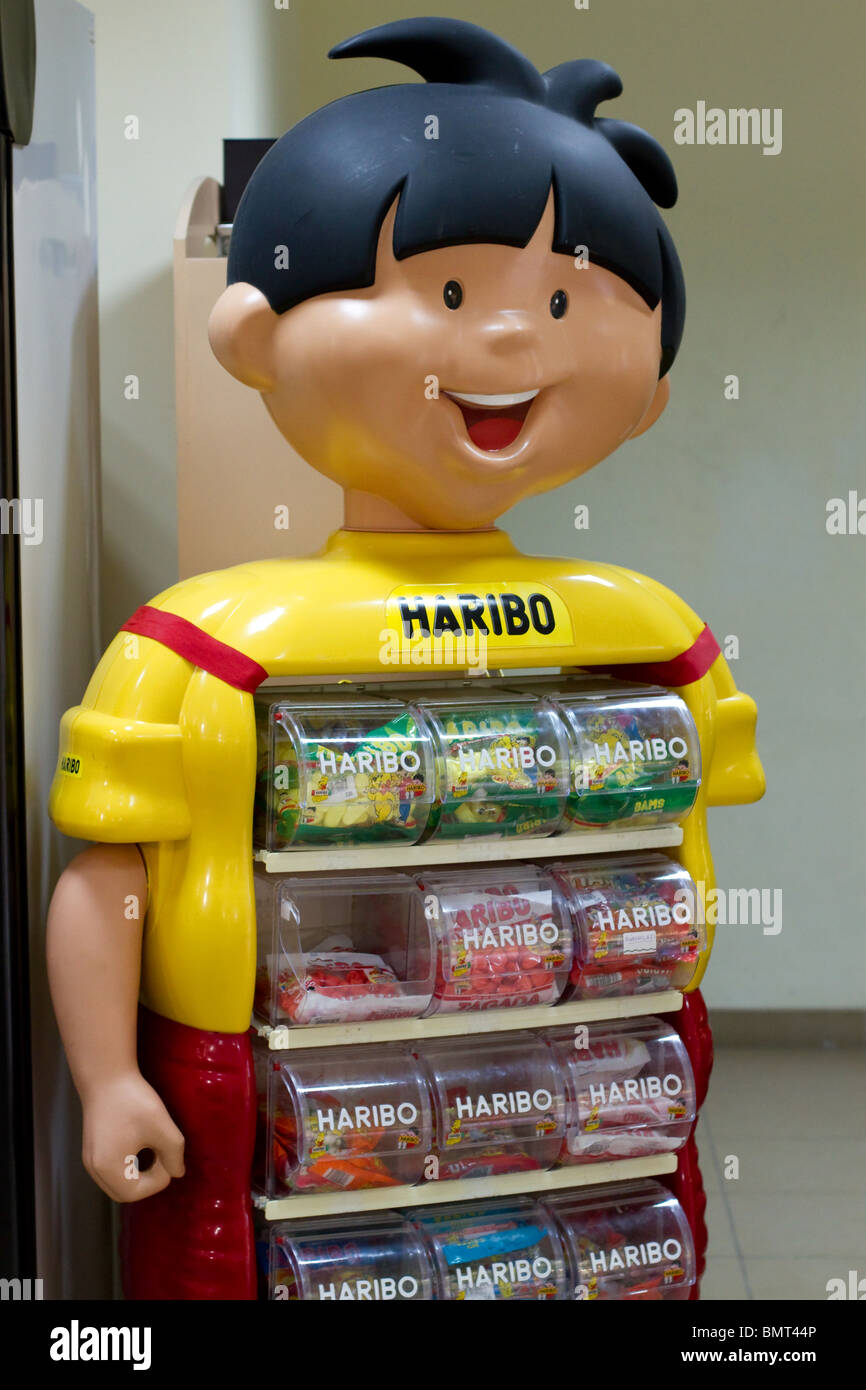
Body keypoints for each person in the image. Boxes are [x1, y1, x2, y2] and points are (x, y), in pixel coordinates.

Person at [46, 17, 763, 1300]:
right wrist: (109, 1078)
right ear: (255, 332)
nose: (509, 341)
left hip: (600, 1090)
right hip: (262, 1102)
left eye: (564, 301)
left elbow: (670, 850)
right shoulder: (204, 642)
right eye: (445, 292)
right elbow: (114, 880)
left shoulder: (652, 632)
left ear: (647, 384)